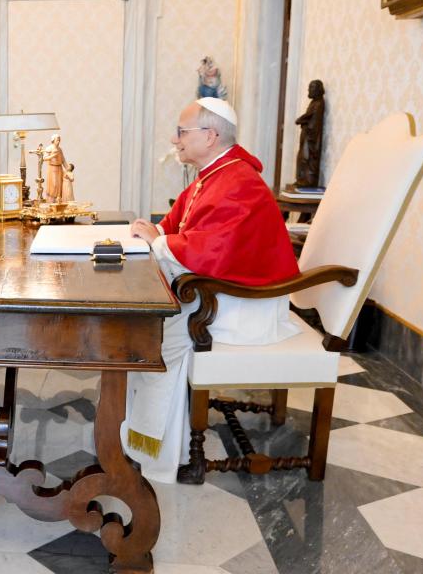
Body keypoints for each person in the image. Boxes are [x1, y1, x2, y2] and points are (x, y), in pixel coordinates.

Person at [126, 97, 301, 483]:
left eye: (182, 131)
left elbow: (209, 252)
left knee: (154, 338)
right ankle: (139, 439)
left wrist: (158, 240)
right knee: (143, 326)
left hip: (242, 307)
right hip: (222, 293)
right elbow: (178, 230)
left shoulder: (237, 182)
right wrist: (155, 235)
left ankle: (157, 457)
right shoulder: (212, 174)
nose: (175, 139)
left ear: (210, 134)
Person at [43, 134, 67, 203]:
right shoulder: (49, 148)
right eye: (57, 140)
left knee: (60, 184)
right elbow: (44, 158)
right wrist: (53, 155)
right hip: (52, 168)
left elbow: (63, 160)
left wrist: (67, 168)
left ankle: (58, 200)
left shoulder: (59, 149)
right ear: (53, 140)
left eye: (59, 140)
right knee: (54, 184)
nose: (58, 141)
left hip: (59, 168)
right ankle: (51, 200)